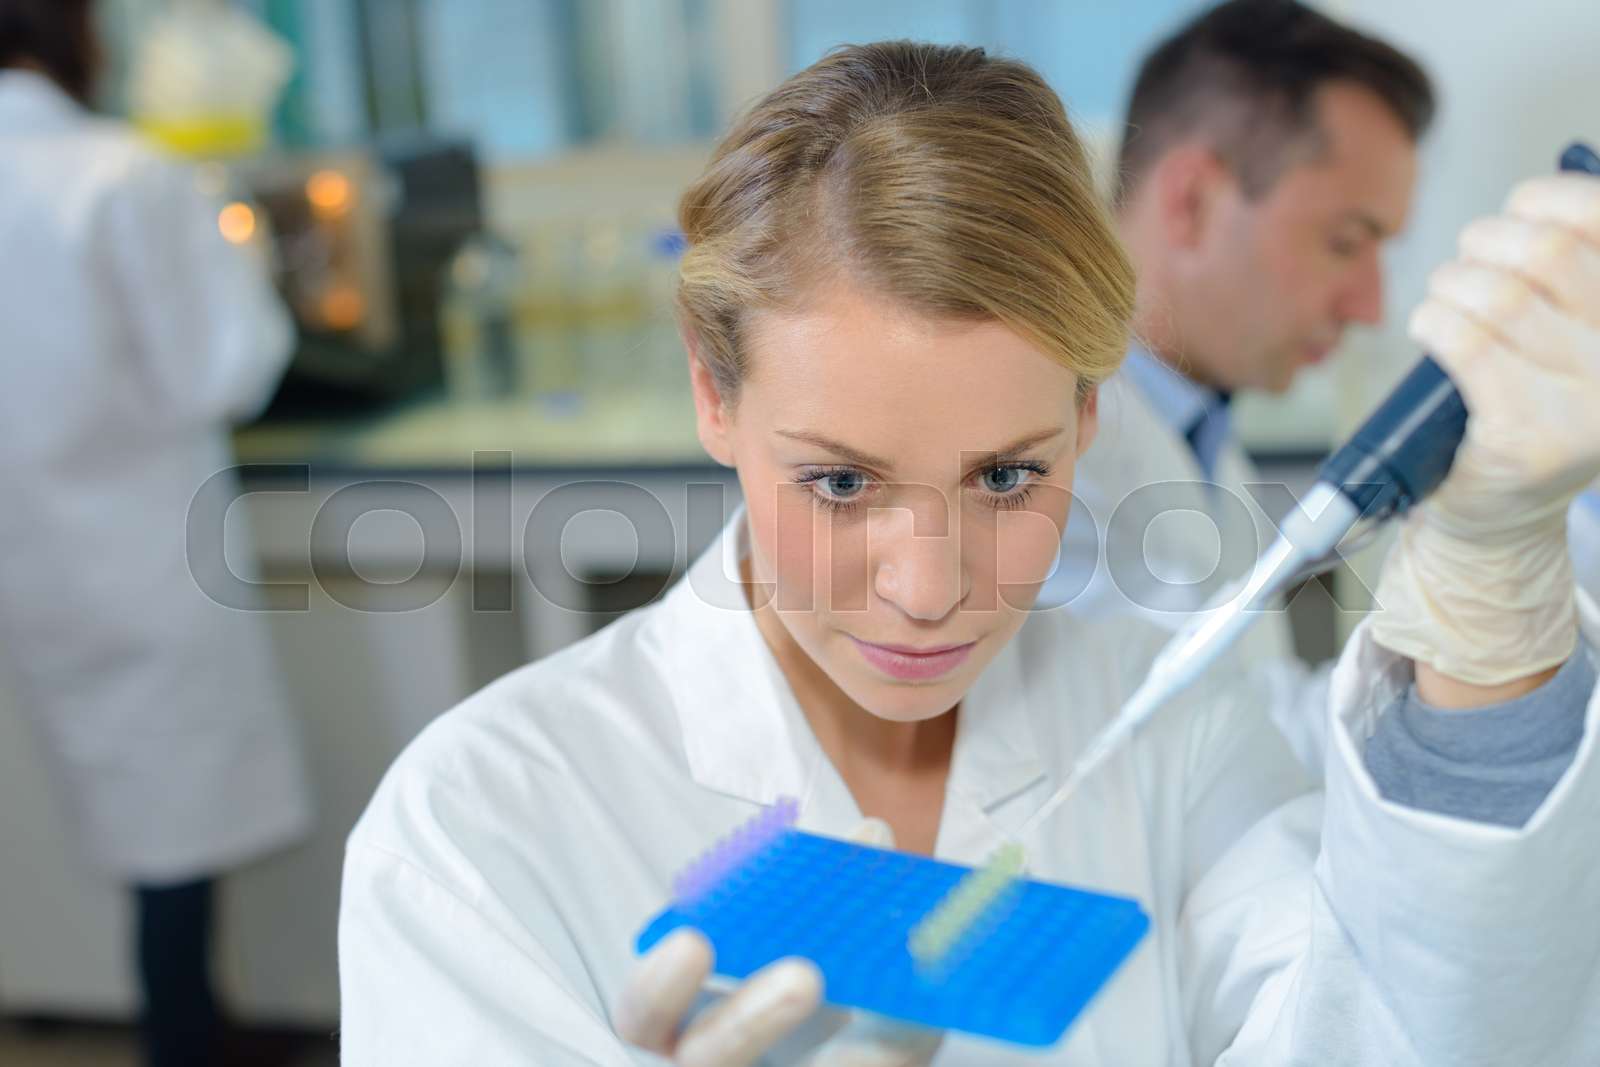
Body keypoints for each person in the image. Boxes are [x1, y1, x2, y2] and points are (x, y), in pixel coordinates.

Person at [339, 41, 1600, 1066]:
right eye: (840, 482)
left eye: (1006, 477)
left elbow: (1396, 1035)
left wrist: (1493, 607)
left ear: (1089, 415)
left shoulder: (1179, 741)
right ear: (713, 394)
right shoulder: (482, 823)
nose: (930, 588)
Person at [0, 3, 312, 1065]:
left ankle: (192, 1023)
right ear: (78, 36)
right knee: (176, 819)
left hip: (33, 556)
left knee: (140, 813)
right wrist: (245, 267)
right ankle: (183, 1040)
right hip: (141, 553)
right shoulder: (122, 175)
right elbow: (218, 369)